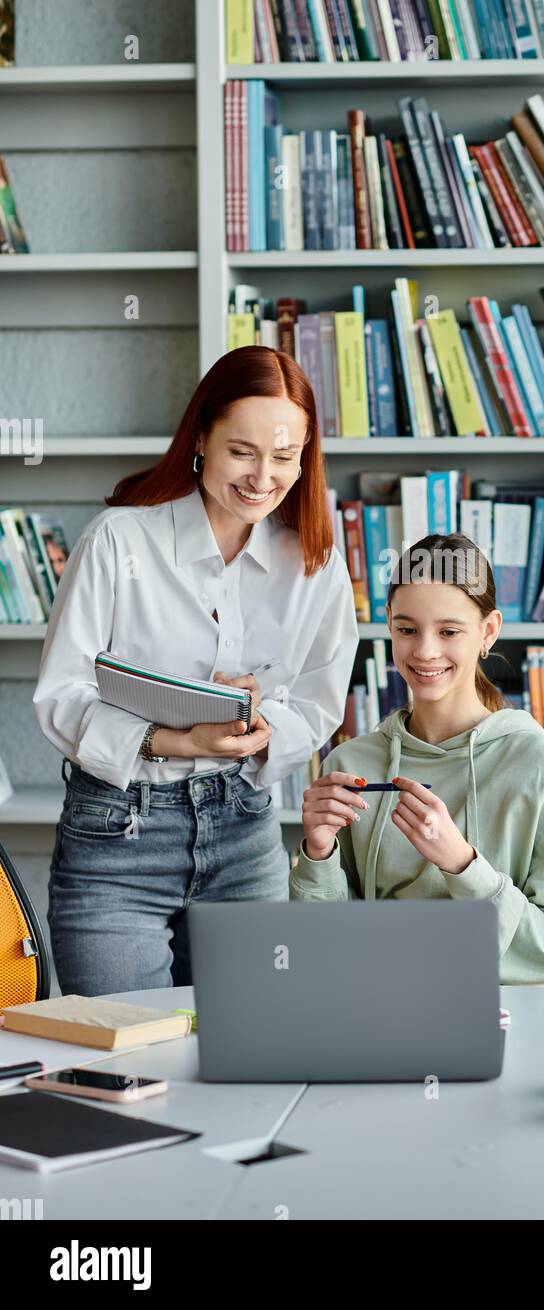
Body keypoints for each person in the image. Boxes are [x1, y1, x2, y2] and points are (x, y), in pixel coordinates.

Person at [33, 346, 358, 995]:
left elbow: (319, 700)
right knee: (131, 1061)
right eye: (242, 451)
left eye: (285, 455)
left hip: (244, 827)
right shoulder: (119, 540)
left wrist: (265, 724)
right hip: (118, 836)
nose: (263, 477)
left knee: (252, 1052)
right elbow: (61, 696)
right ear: (201, 438)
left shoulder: (313, 559)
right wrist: (177, 739)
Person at [291, 532, 544, 987]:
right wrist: (319, 853)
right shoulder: (350, 762)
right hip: (379, 1018)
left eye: (449, 631)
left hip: (507, 1026)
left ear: (488, 632)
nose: (425, 651)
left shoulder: (538, 762)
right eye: (407, 629)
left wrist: (461, 865)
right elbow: (324, 950)